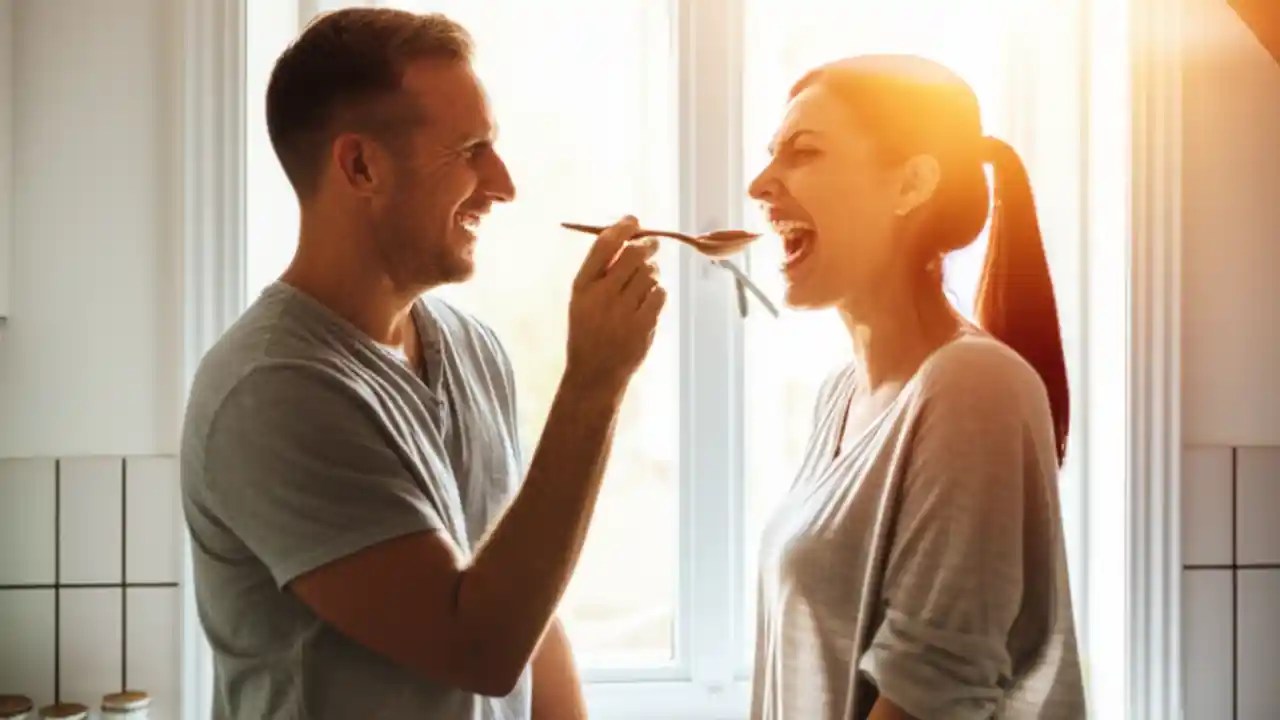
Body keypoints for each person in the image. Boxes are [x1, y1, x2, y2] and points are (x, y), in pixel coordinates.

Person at [180, 8, 666, 719]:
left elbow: (527, 606)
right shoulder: (274, 391)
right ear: (361, 165)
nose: (503, 184)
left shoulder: (472, 349)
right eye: (470, 149)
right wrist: (594, 383)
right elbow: (481, 648)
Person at [745, 55, 1086, 719]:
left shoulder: (972, 386)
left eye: (803, 153)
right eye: (770, 155)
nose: (761, 184)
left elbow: (933, 695)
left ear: (911, 183)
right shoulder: (842, 394)